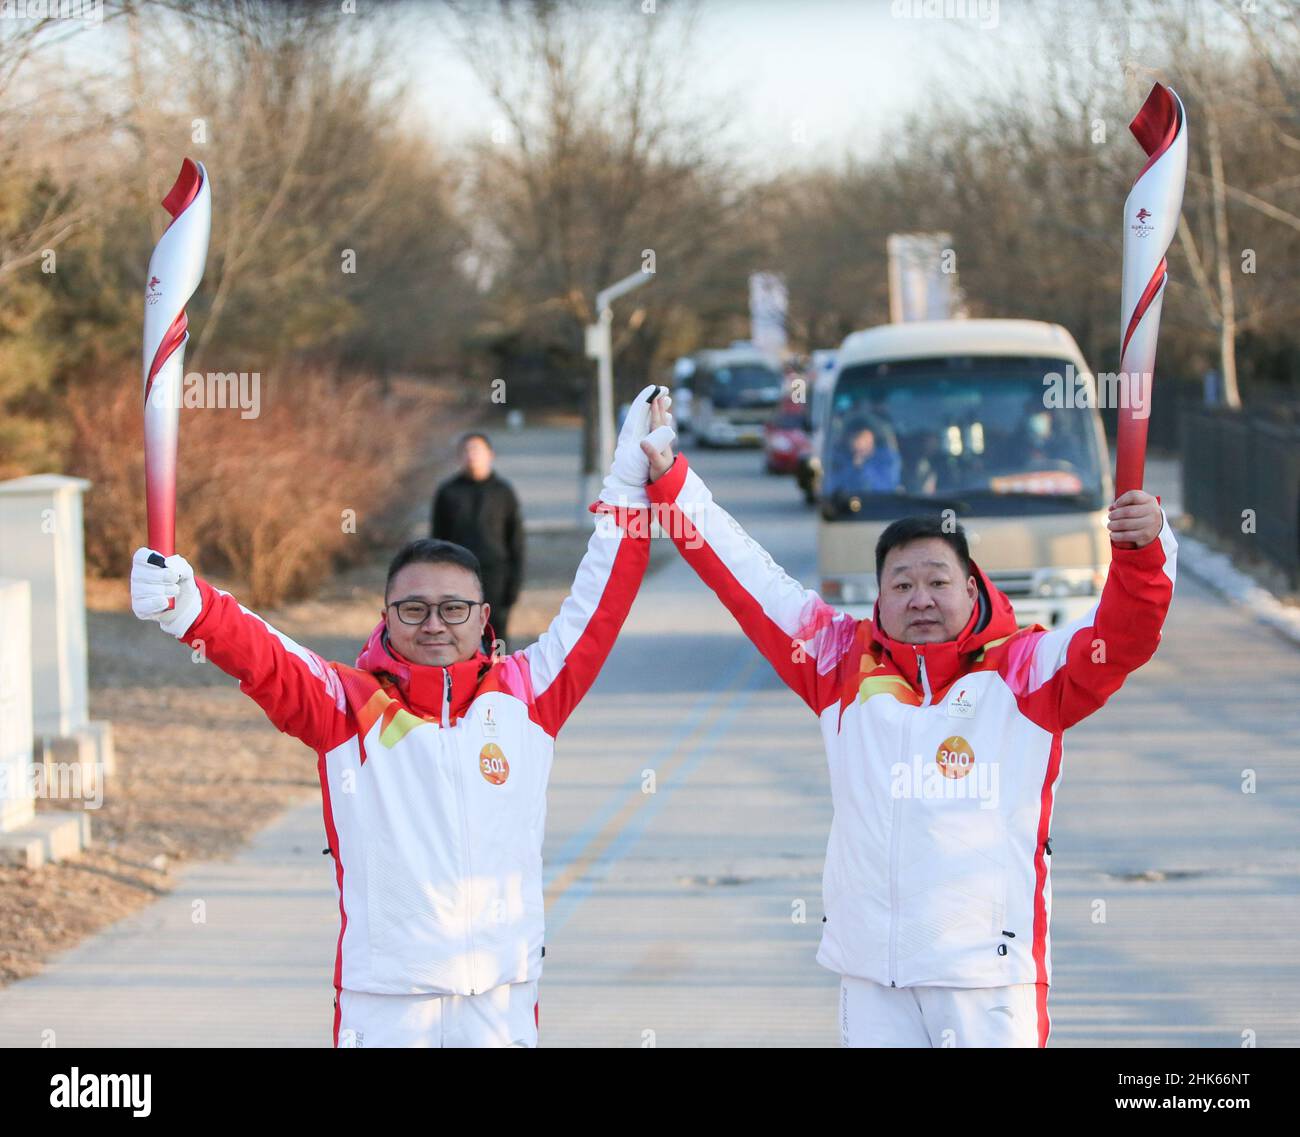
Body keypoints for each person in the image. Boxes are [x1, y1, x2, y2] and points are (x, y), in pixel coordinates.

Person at [131, 387, 674, 1048]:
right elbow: (264, 655)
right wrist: (189, 606)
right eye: (413, 608)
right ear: (386, 616)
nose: (434, 623)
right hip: (386, 1002)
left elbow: (601, 604)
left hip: (500, 998)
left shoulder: (529, 695)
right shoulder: (347, 706)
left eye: (454, 608)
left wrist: (626, 485)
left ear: (484, 616)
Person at [638, 401, 1175, 1047]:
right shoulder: (840, 662)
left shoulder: (1027, 669)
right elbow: (747, 577)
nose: (920, 597)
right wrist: (671, 481)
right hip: (872, 977)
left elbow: (1124, 636)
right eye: (901, 584)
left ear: (972, 590)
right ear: (879, 597)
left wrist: (1142, 553)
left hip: (985, 979)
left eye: (937, 580)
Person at [431, 433, 524, 648]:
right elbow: (436, 542)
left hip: (495, 577)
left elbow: (516, 542)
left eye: (477, 450)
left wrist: (514, 585)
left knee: (496, 636)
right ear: (459, 457)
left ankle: (498, 680)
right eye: (466, 451)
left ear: (490, 455)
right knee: (458, 632)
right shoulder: (447, 492)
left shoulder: (503, 492)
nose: (471, 456)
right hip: (456, 577)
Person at [825, 419, 902, 496]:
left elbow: (887, 488)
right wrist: (853, 468)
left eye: (865, 438)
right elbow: (829, 487)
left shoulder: (887, 458)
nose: (860, 443)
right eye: (855, 437)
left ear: (873, 438)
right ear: (847, 439)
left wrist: (863, 468)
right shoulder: (836, 457)